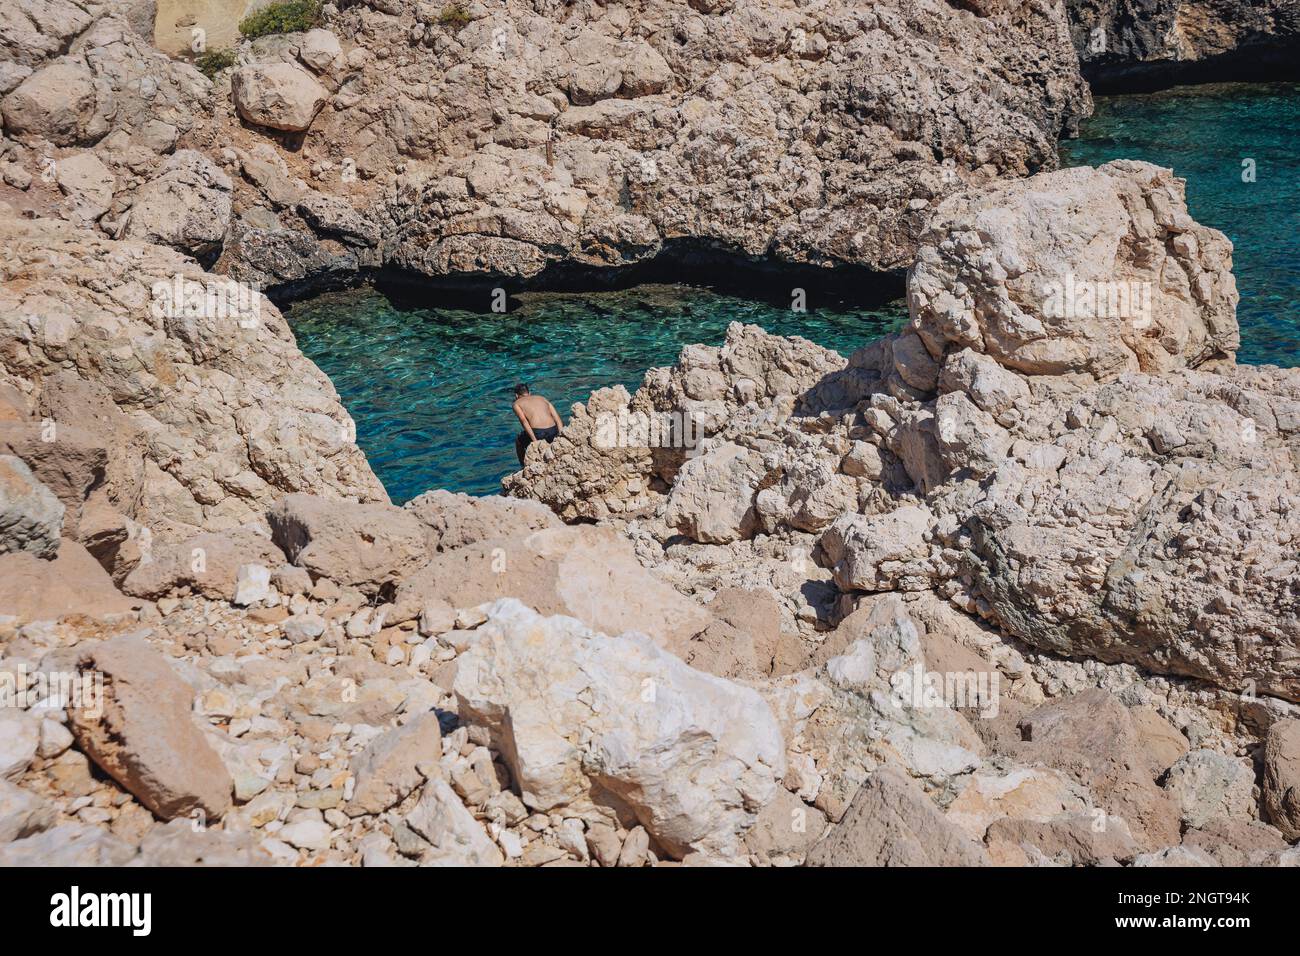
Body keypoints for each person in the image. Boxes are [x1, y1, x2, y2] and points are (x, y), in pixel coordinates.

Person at [512, 383, 564, 465]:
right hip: (553, 431)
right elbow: (557, 418)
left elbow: (524, 422)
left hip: (538, 433)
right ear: (529, 393)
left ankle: (523, 466)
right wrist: (561, 436)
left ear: (516, 396)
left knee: (519, 441)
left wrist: (535, 441)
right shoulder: (543, 398)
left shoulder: (517, 403)